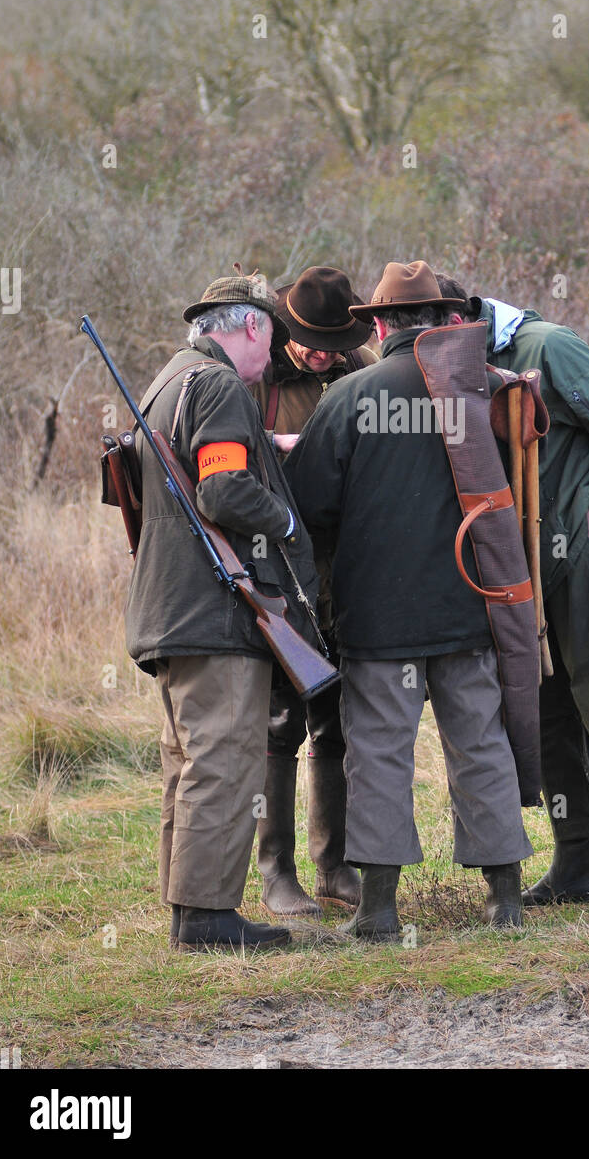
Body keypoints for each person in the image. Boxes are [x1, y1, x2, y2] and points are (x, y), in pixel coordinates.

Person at [283, 260, 533, 939]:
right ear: (441, 319)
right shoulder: (480, 393)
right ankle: (504, 899)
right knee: (480, 745)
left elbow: (309, 506)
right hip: (470, 605)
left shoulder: (350, 396)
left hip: (378, 618)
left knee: (379, 754)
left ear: (380, 323)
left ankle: (379, 911)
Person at [436, 275, 589, 925]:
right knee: (546, 706)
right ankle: (575, 866)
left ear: (461, 316)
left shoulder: (545, 348)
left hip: (586, 560)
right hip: (524, 569)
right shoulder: (455, 368)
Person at [125, 268, 320, 952]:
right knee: (225, 757)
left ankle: (190, 912)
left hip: (166, 608)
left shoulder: (167, 381)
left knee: (187, 760)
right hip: (214, 609)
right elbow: (223, 491)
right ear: (248, 326)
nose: (271, 359)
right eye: (270, 339)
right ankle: (207, 919)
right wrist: (289, 526)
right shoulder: (217, 385)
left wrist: (269, 449)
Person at [249, 266, 377, 917]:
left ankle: (336, 866)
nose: (320, 352)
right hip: (275, 568)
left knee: (338, 719)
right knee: (279, 719)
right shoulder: (254, 374)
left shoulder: (361, 371)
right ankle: (276, 870)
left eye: (332, 341)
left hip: (346, 567)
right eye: (309, 340)